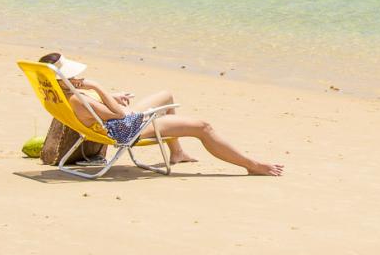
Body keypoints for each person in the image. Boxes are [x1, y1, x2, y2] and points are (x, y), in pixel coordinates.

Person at [39, 53, 283, 175]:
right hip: (127, 129)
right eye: (74, 75)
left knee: (166, 95)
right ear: (66, 79)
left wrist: (110, 96)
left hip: (114, 121)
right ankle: (252, 165)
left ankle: (177, 153)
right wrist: (97, 87)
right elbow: (119, 115)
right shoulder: (79, 97)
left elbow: (103, 111)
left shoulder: (62, 94)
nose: (80, 76)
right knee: (203, 126)